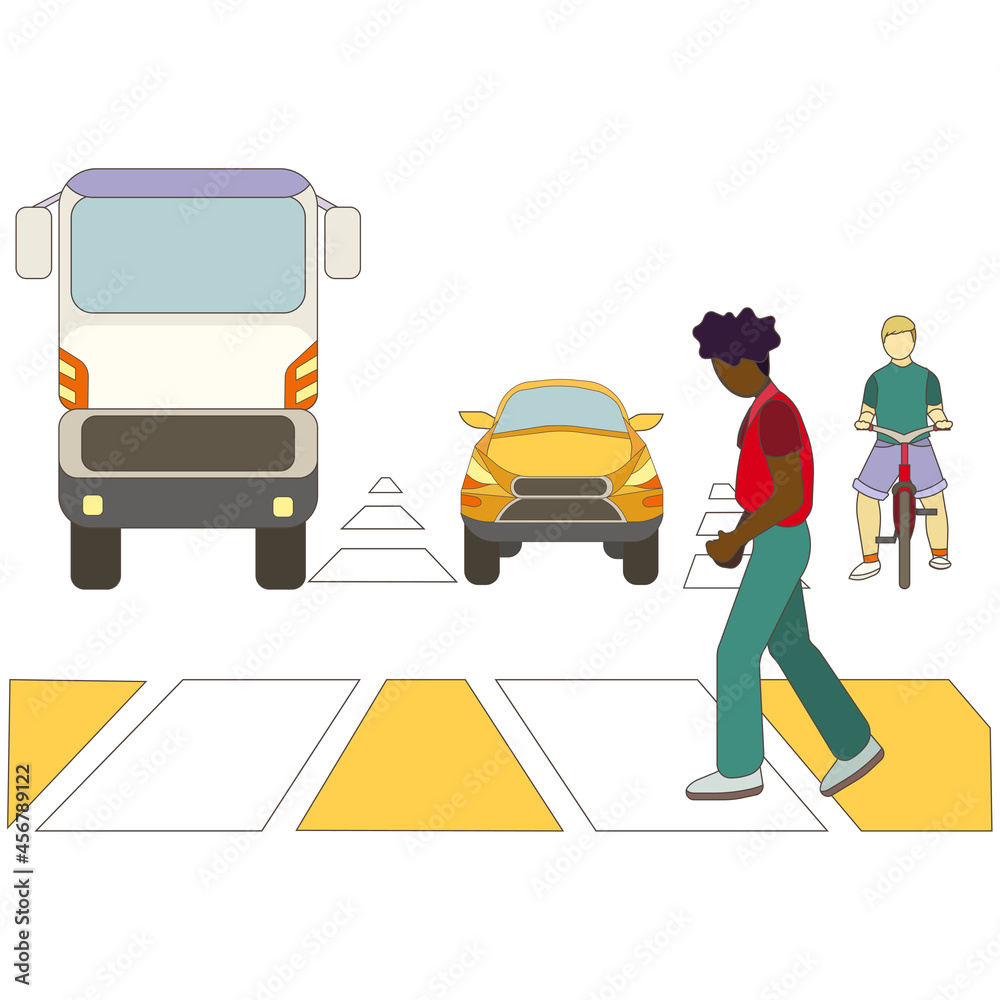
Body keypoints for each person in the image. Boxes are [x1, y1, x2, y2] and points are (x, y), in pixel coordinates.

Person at [686, 308, 882, 801]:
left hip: (780, 543)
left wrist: (736, 539)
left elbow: (789, 497)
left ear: (739, 363)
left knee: (735, 652)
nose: (719, 377)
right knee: (791, 647)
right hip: (780, 540)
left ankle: (739, 769)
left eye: (718, 367)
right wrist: (741, 534)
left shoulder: (774, 413)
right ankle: (856, 744)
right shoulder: (768, 407)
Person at [849, 315, 952, 581]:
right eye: (891, 339)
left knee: (934, 498)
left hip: (919, 443)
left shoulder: (928, 377)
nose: (898, 344)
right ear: (884, 343)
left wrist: (941, 421)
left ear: (914, 341)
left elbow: (935, 410)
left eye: (904, 338)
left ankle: (940, 553)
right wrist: (864, 421)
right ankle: (870, 558)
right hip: (886, 444)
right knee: (866, 497)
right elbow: (868, 411)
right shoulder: (876, 379)